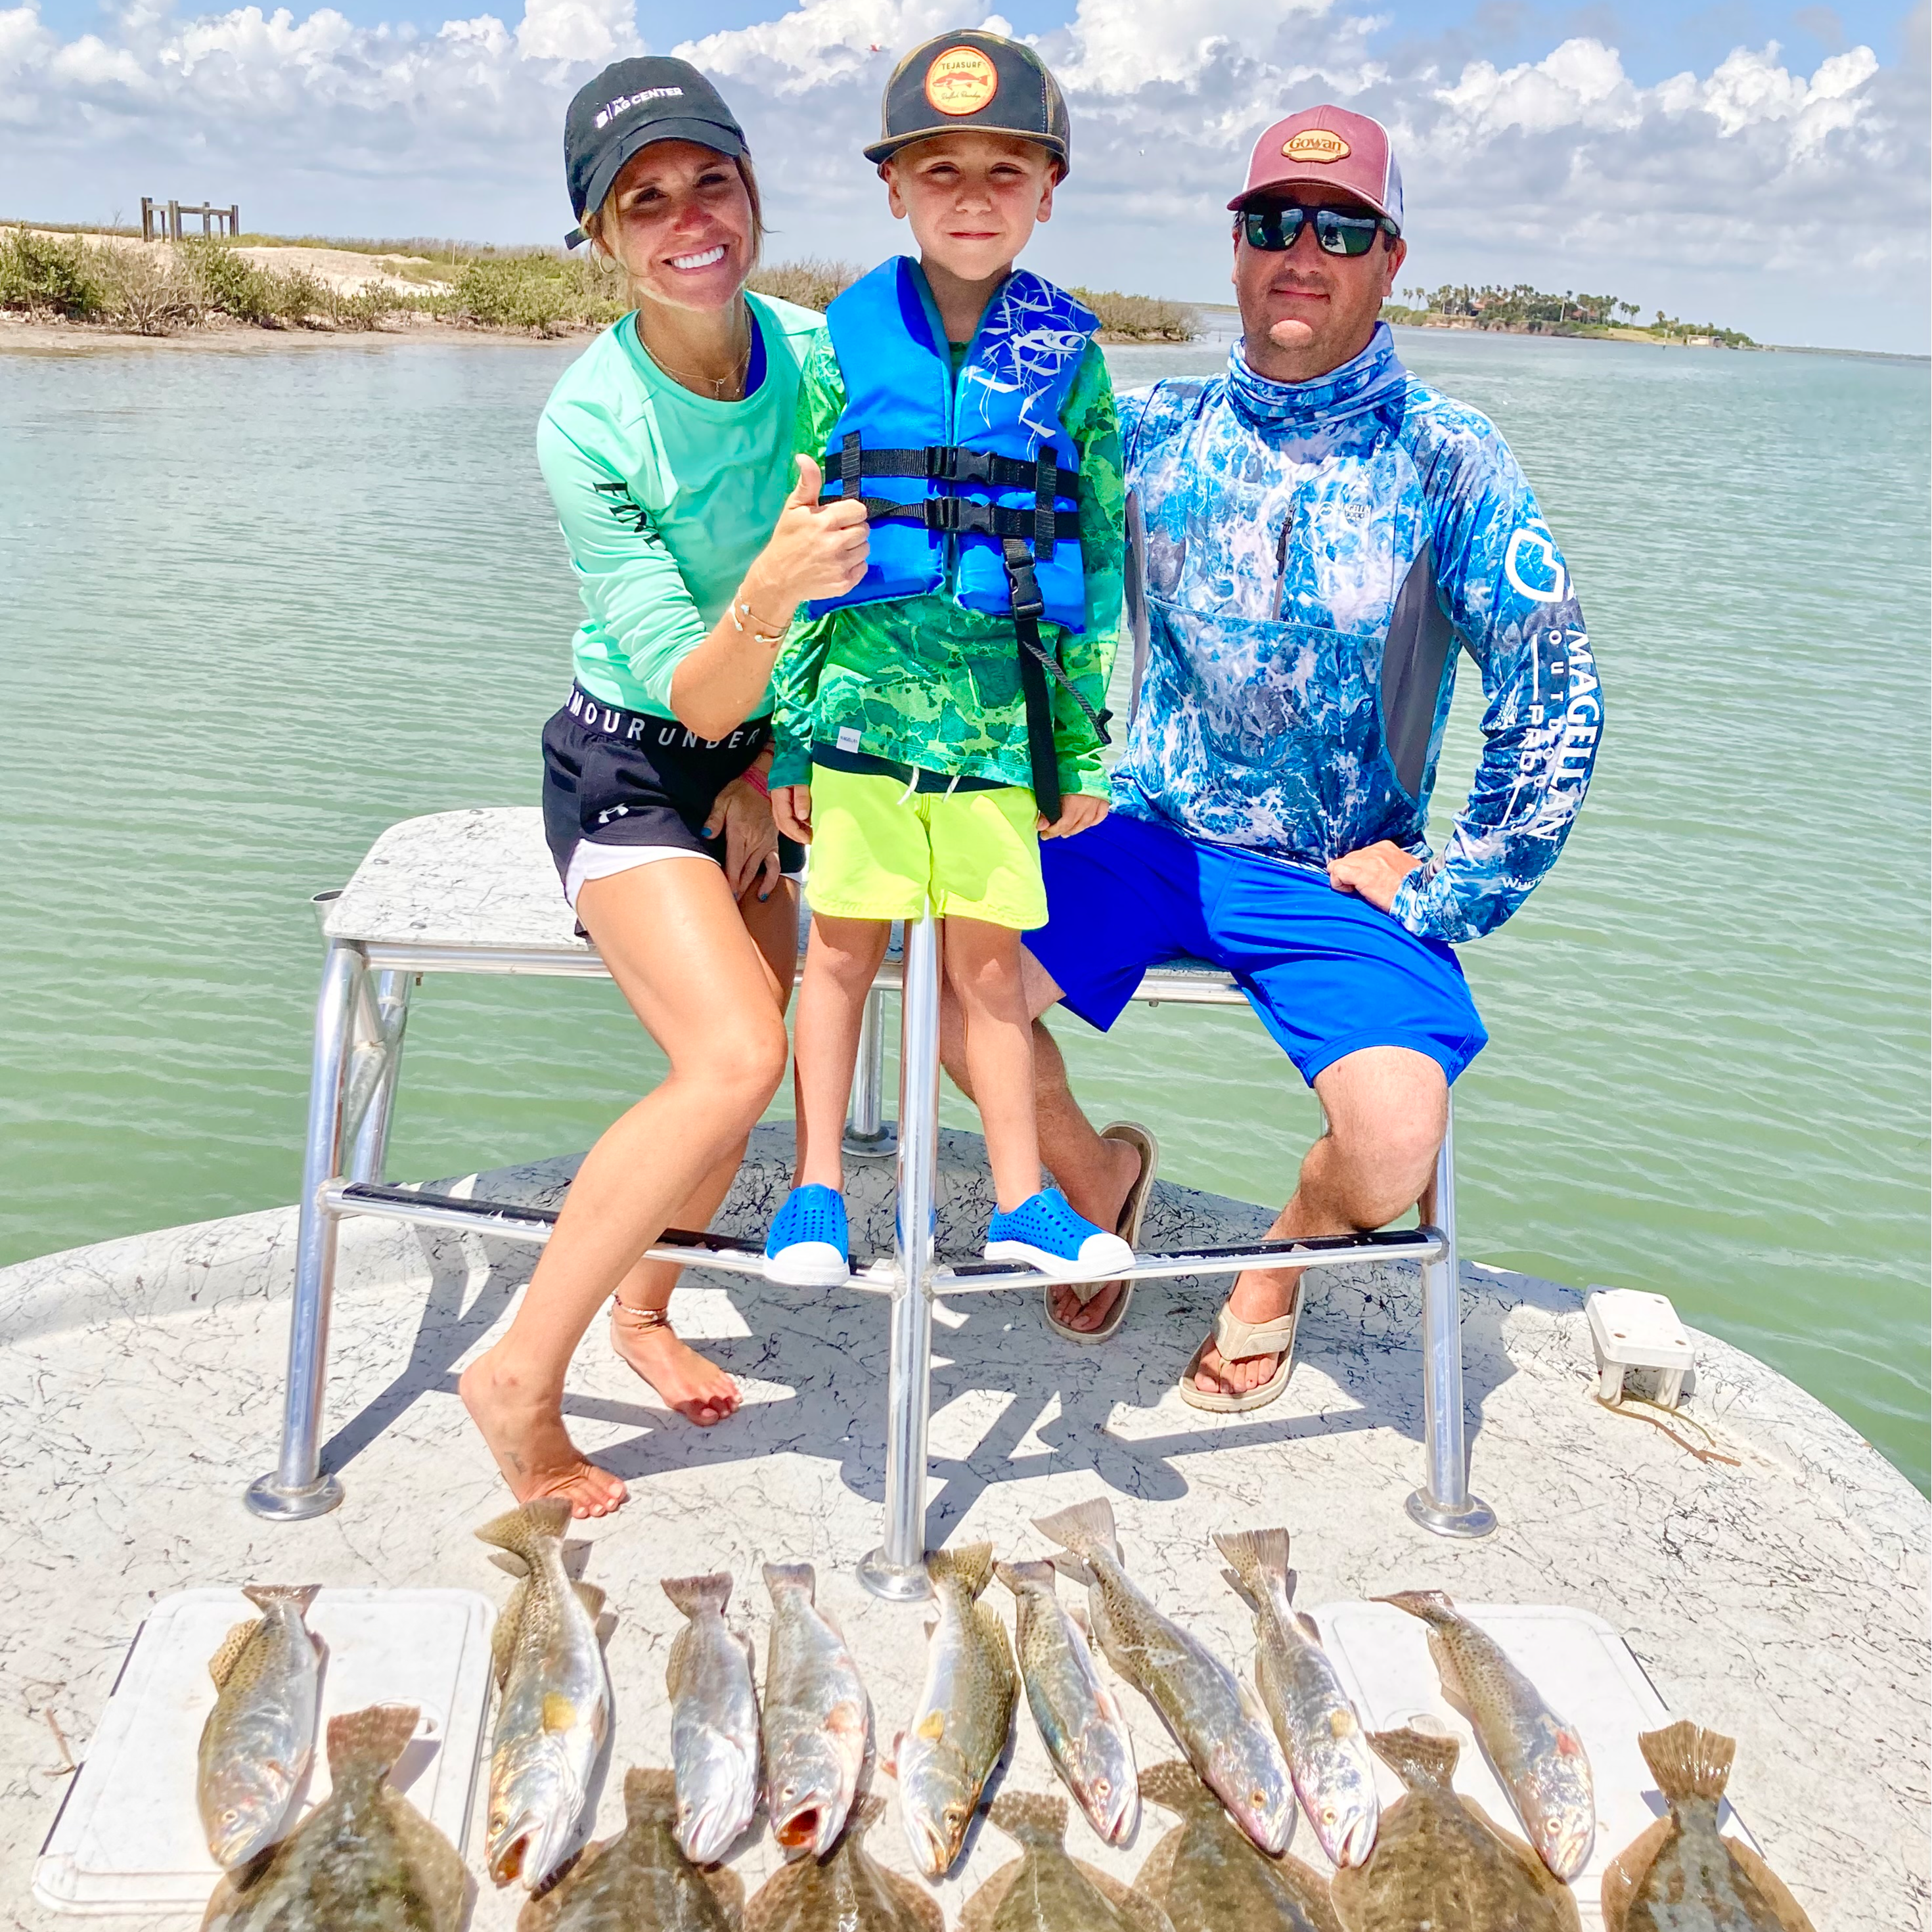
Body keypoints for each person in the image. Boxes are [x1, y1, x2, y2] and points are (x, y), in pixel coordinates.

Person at [944, 104, 1604, 1408]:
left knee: (1392, 1149)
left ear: (1390, 259)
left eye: (1343, 227)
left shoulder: (1449, 461)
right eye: (1273, 223)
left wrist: (1450, 888)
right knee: (952, 980)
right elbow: (990, 549)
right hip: (1146, 831)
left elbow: (1557, 695)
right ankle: (1092, 1181)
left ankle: (1281, 1258)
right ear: (1237, 248)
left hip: (1341, 871)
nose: (1304, 250)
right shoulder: (1147, 429)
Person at [458, 56, 870, 1516]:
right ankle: (517, 1372)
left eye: (712, 181)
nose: (687, 219)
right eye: (645, 202)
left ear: (753, 191)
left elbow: (865, 610)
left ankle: (643, 1306)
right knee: (734, 1059)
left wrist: (774, 760)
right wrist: (761, 610)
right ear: (602, 238)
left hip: (766, 756)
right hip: (627, 757)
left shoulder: (823, 357)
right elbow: (690, 684)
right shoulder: (590, 422)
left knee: (737, 1086)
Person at [760, 30, 1138, 1290]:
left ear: (1047, 188)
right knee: (841, 954)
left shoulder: (1074, 362)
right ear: (894, 189)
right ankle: (815, 1188)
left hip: (1001, 722)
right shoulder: (836, 347)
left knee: (986, 971)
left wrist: (1083, 747)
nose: (972, 198)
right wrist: (792, 732)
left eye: (1003, 171)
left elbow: (1091, 577)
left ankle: (1025, 1199)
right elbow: (801, 553)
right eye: (940, 172)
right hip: (864, 710)